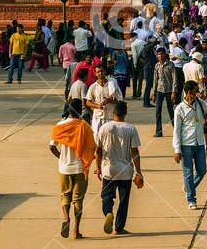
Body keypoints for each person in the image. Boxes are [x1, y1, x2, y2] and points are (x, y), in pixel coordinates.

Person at [50, 100, 97, 238]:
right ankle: (76, 230)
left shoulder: (59, 125)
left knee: (65, 195)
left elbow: (51, 147)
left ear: (68, 110)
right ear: (79, 111)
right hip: (80, 168)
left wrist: (61, 158)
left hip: (64, 168)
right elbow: (91, 147)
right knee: (78, 199)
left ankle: (66, 218)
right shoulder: (84, 126)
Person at [97, 99, 144, 235]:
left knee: (107, 197)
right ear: (126, 113)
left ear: (113, 112)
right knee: (124, 201)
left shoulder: (104, 127)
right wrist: (139, 172)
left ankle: (108, 213)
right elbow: (135, 151)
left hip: (108, 169)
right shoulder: (131, 128)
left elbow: (98, 150)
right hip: (125, 171)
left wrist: (98, 167)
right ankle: (119, 227)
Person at [172, 80, 207, 210]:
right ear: (188, 93)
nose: (197, 94)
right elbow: (176, 130)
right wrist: (177, 149)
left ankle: (188, 187)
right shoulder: (179, 109)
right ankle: (191, 199)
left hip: (199, 143)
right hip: (186, 145)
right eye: (195, 91)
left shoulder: (199, 103)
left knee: (202, 171)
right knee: (187, 173)